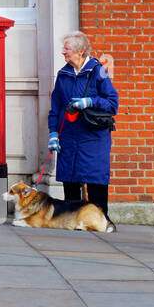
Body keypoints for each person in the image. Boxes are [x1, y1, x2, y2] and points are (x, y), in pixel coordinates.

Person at [46, 31, 119, 215]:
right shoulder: (63, 74)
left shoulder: (98, 71)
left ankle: (100, 221)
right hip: (68, 136)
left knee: (95, 180)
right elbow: (55, 108)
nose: (63, 52)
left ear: (80, 51)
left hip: (93, 137)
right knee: (70, 180)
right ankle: (72, 220)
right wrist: (53, 133)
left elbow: (112, 103)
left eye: (67, 48)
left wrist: (90, 101)